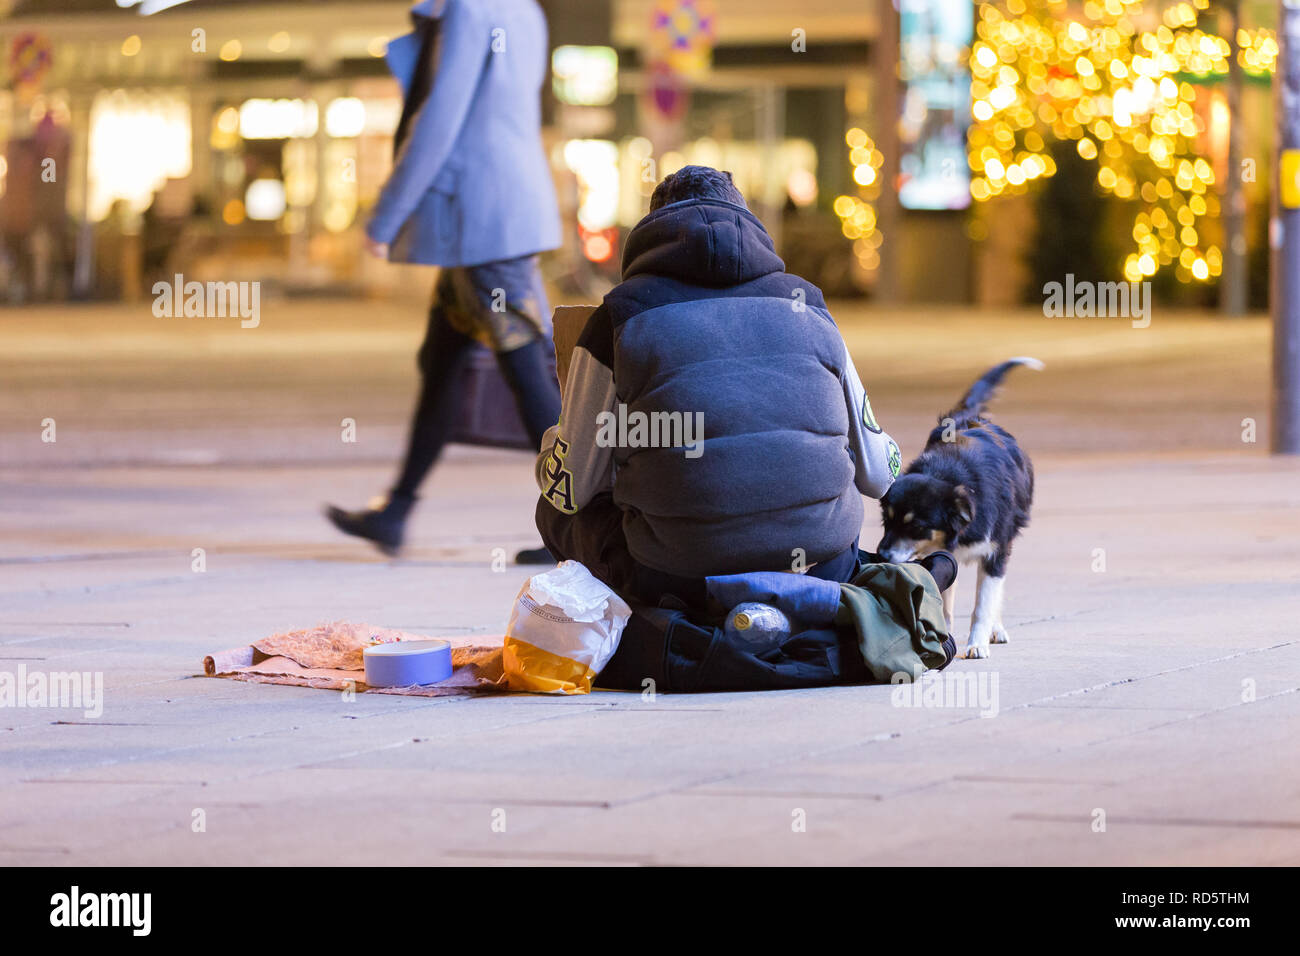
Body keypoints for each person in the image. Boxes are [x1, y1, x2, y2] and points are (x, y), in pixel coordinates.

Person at [534, 165, 955, 611]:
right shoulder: (808, 304)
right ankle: (797, 607)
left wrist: (554, 444)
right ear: (748, 222)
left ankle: (654, 626)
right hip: (823, 569)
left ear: (652, 231)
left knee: (554, 511)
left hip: (678, 580)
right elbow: (879, 475)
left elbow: (571, 488)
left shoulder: (618, 316)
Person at [327, 0, 561, 555]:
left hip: (481, 220)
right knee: (443, 364)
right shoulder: (522, 7)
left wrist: (387, 214)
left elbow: (440, 117)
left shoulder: (471, 9)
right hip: (487, 216)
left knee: (529, 373)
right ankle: (397, 509)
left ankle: (583, 526)